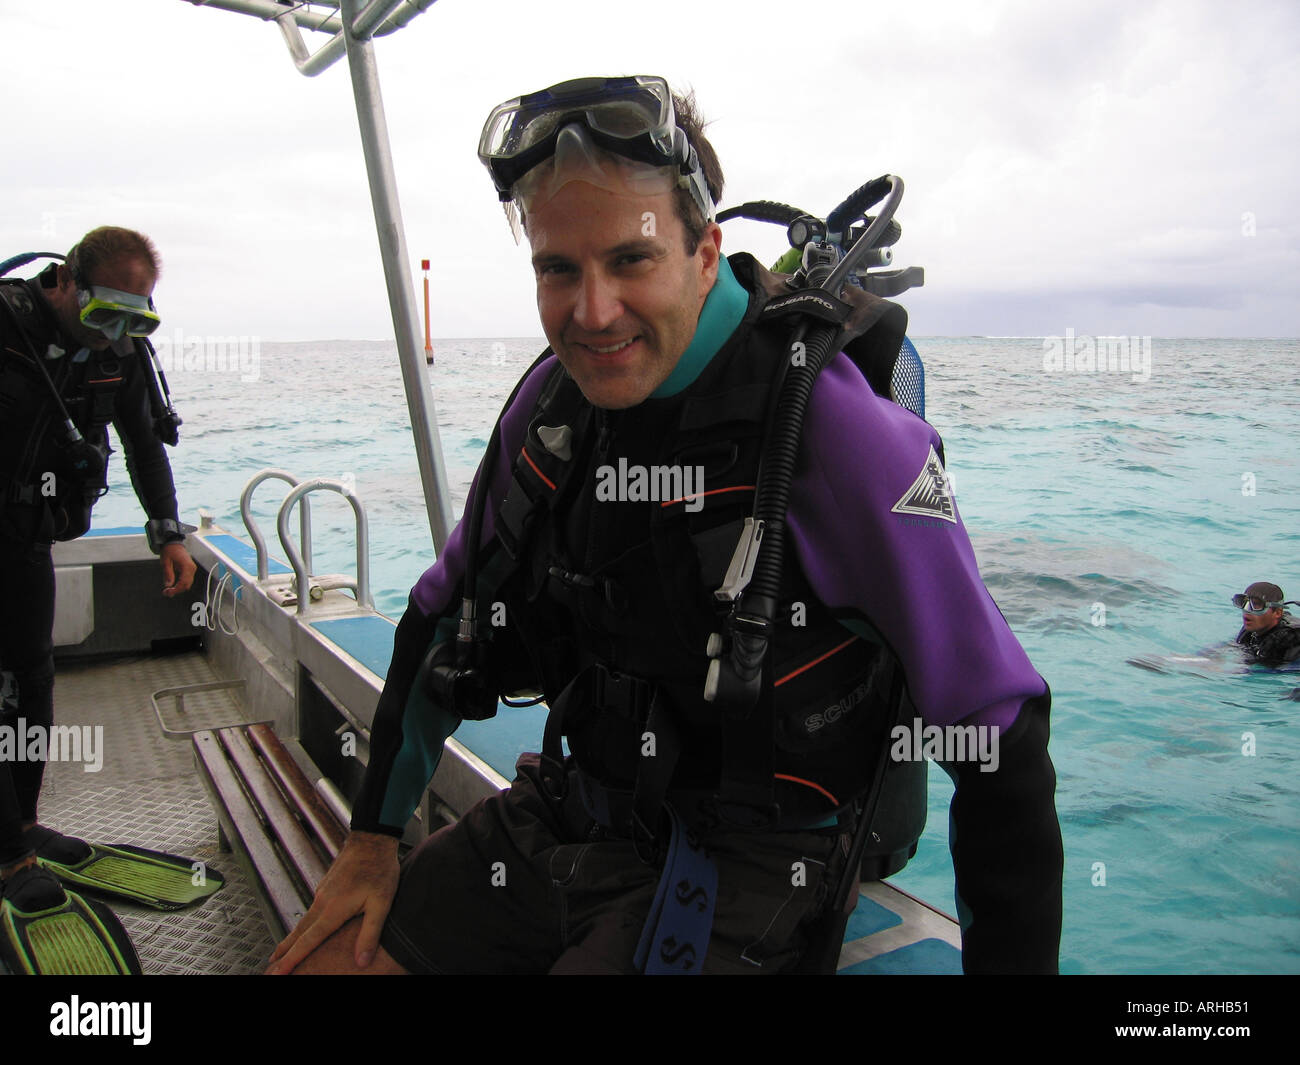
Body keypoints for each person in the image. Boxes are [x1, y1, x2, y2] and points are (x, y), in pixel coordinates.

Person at [269, 76, 1063, 975]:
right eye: (557, 268)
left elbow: (1002, 737)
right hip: (571, 812)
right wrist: (372, 835)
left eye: (630, 261)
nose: (592, 312)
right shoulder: (550, 409)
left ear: (704, 250)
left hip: (754, 864)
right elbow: (441, 614)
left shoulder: (836, 436)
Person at [0, 226, 196, 963]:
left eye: (137, 320)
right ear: (65, 284)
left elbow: (144, 441)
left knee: (31, 680)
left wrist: (167, 532)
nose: (118, 334)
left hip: (24, 539)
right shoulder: (7, 325)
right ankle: (7, 856)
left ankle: (22, 825)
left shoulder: (121, 353)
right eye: (105, 314)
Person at [1233, 582, 1300, 668]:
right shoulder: (1253, 627)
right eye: (1243, 603)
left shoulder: (1290, 640)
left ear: (1277, 613)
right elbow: (1234, 645)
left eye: (1256, 605)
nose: (1247, 610)